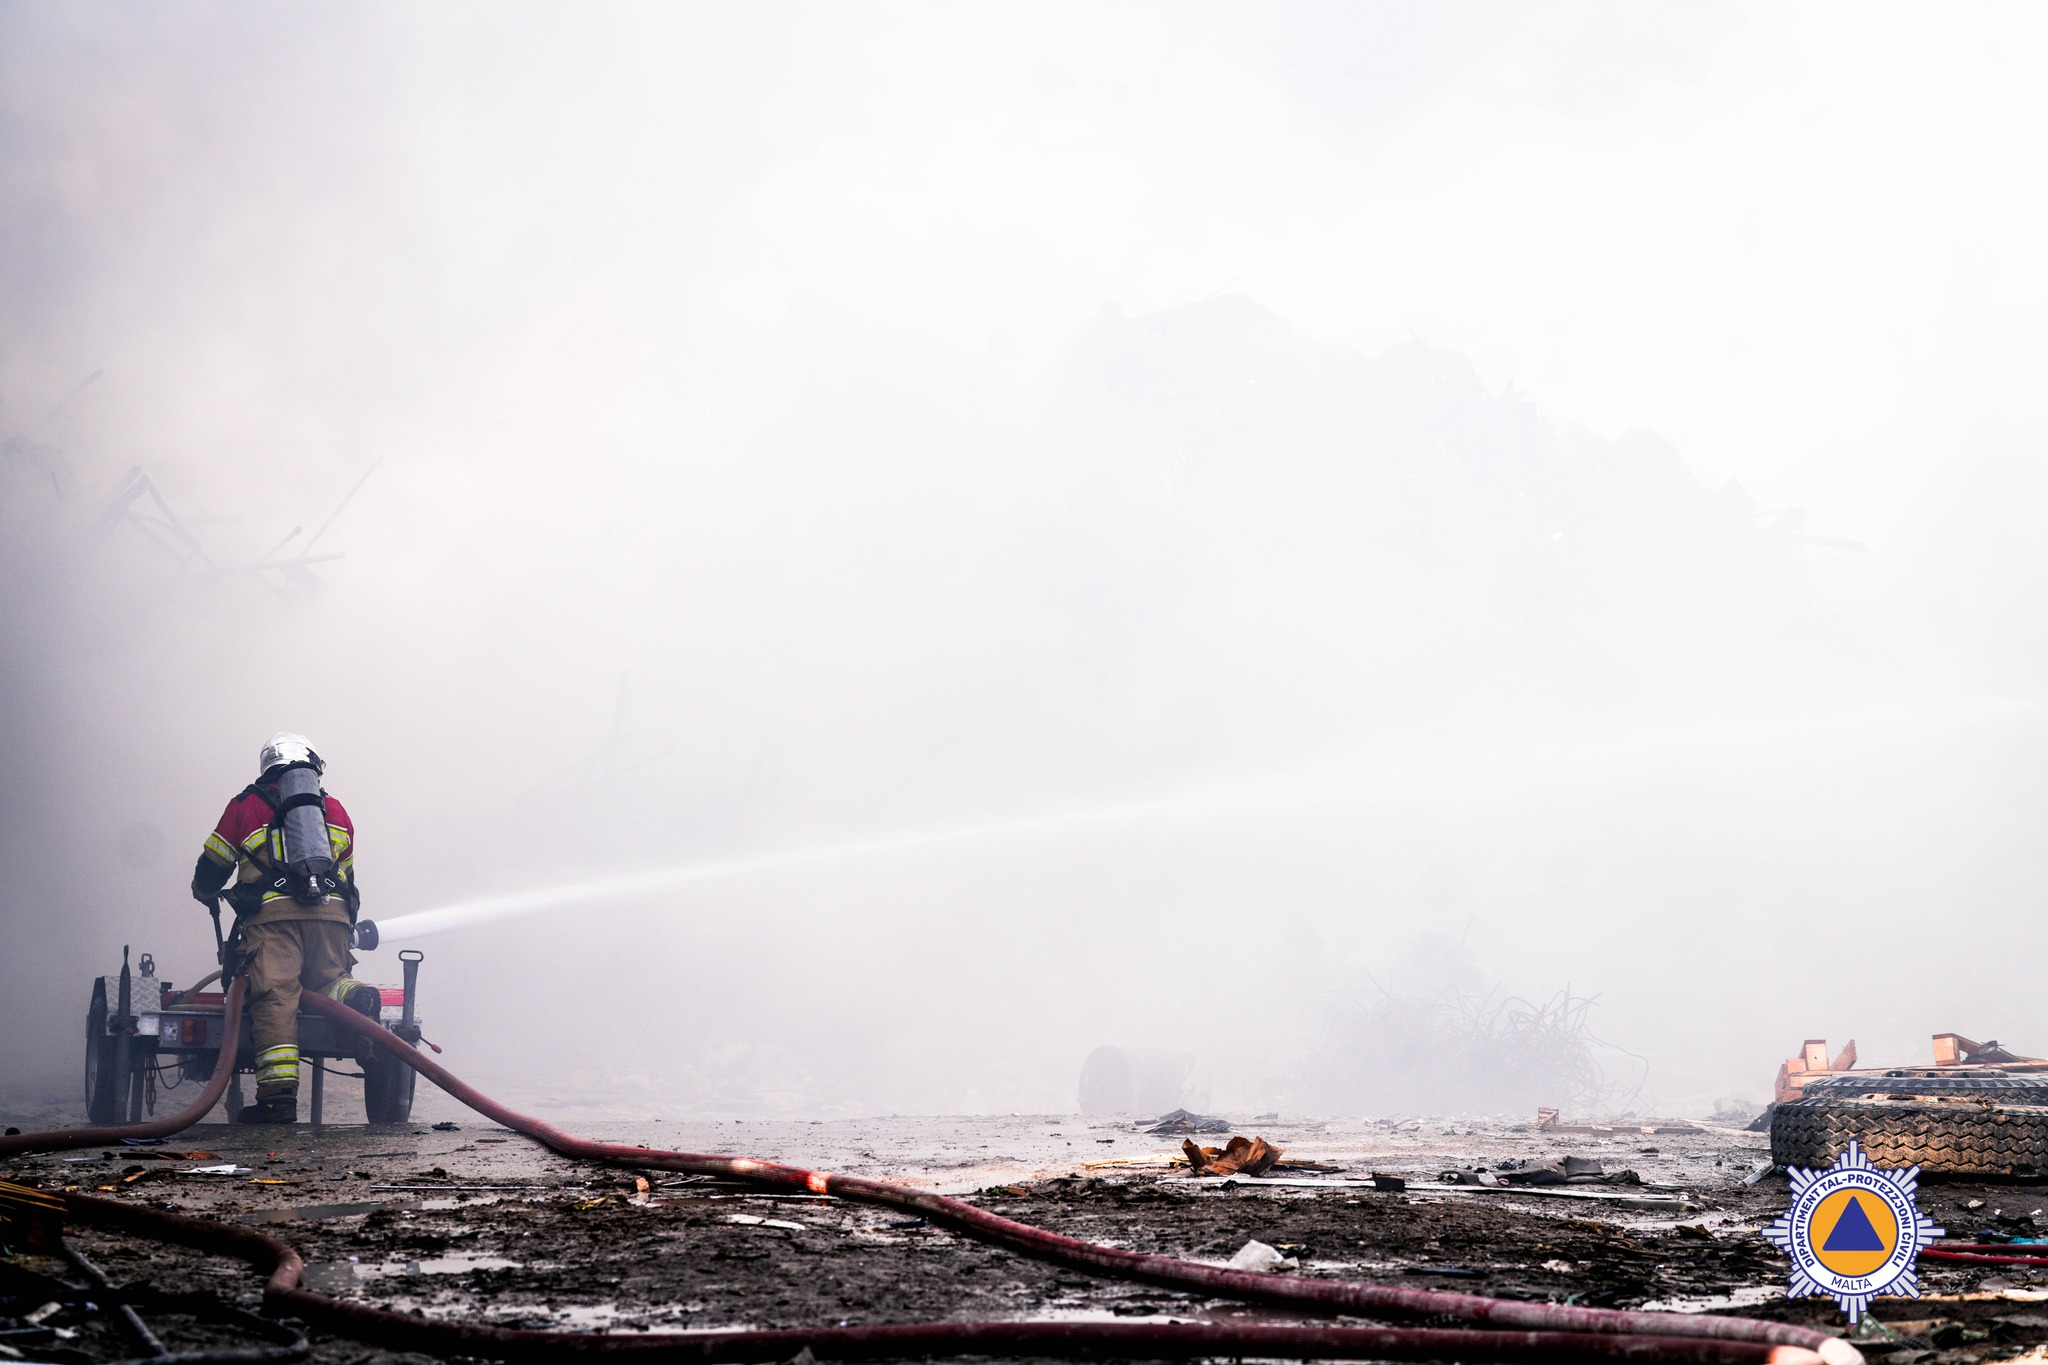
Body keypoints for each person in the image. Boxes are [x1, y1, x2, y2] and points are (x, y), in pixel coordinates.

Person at [188, 732, 379, 1125]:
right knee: (330, 979)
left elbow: (215, 862)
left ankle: (277, 1101)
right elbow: (348, 874)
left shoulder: (246, 805)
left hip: (273, 921)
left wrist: (203, 891)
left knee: (276, 996)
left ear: (268, 766)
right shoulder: (335, 809)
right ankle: (356, 996)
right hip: (332, 914)